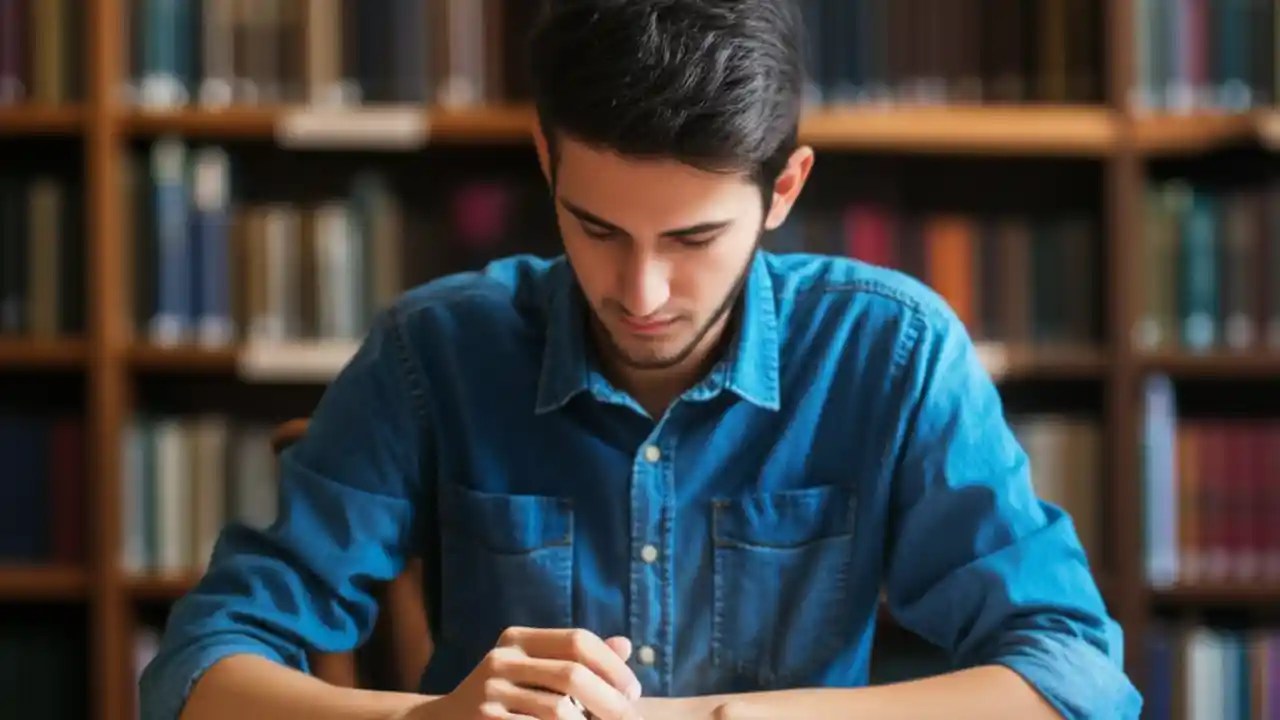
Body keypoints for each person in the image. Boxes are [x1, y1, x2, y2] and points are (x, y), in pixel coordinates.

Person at [139, 1, 1142, 718]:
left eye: (694, 239)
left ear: (782, 190)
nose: (640, 292)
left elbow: (1075, 676)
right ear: (546, 163)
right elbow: (198, 669)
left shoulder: (888, 351)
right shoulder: (435, 350)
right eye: (597, 228)